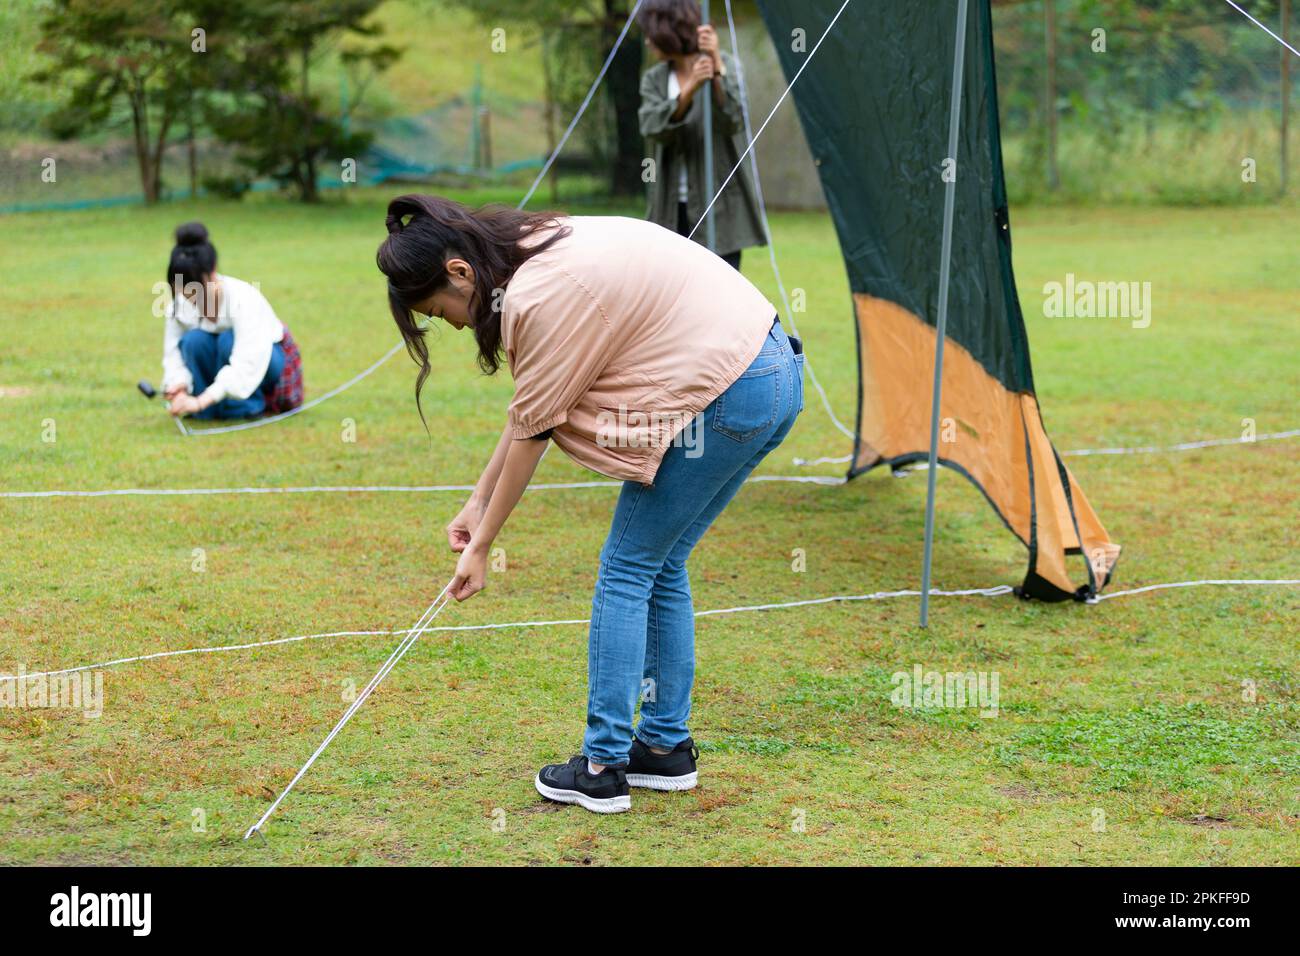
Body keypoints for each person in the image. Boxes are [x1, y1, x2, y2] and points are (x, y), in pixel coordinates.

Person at [377, 194, 804, 814]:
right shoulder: (536, 245)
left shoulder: (538, 294)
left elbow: (533, 435)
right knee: (660, 561)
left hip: (733, 389)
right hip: (769, 375)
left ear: (459, 272)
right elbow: (533, 404)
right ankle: (663, 750)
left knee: (628, 567)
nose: (453, 324)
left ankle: (602, 767)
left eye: (438, 310)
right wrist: (477, 501)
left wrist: (485, 544)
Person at [638, 0, 766, 271]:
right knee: (672, 288)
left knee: (720, 291)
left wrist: (717, 69)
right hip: (671, 209)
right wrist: (690, 89)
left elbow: (734, 120)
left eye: (652, 32)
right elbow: (652, 127)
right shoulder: (655, 79)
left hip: (719, 206)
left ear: (671, 31)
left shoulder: (725, 64)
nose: (648, 41)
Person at [160, 222, 303, 420]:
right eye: (183, 291)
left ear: (212, 272)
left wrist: (200, 401)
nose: (190, 299)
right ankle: (207, 413)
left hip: (265, 362)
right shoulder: (179, 305)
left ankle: (244, 407)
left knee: (228, 340)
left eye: (197, 291)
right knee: (193, 340)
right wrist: (179, 385)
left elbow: (248, 361)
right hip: (219, 362)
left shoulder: (243, 298)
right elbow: (173, 352)